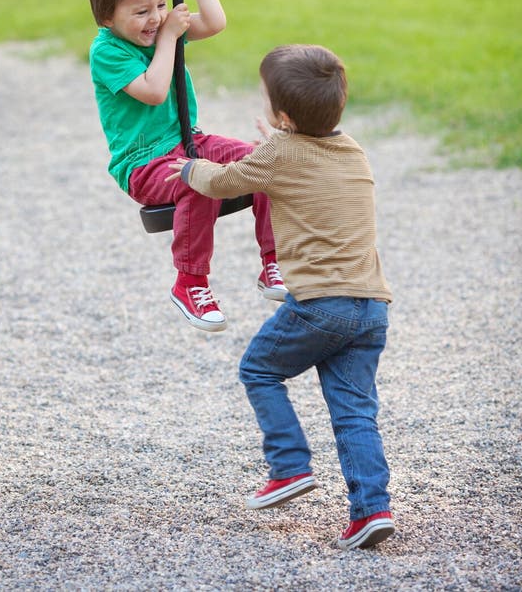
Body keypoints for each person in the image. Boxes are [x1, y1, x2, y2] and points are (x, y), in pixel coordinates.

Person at [166, 44, 394, 551]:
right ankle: (371, 510)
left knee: (259, 370)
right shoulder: (351, 148)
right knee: (355, 411)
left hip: (320, 305)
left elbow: (222, 181)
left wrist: (185, 168)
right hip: (371, 305)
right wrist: (283, 142)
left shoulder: (280, 154)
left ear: (283, 115)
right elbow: (303, 162)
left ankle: (289, 466)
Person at [86, 0, 287, 334]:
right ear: (108, 18)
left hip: (189, 142)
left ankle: (274, 262)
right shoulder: (107, 50)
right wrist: (170, 37)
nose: (155, 18)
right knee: (198, 179)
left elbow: (215, 21)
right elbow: (155, 91)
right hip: (144, 163)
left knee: (268, 159)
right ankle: (190, 283)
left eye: (160, 5)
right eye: (140, 12)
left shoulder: (160, 28)